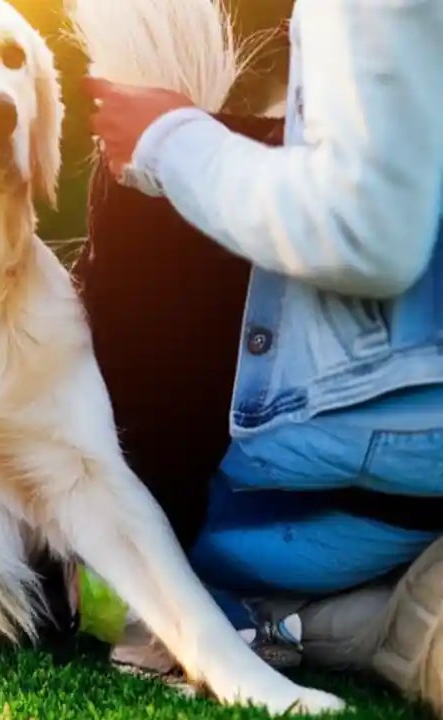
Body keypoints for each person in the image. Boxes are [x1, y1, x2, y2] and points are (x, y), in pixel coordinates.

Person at [84, 0, 443, 711]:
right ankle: (342, 624)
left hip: (318, 468)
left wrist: (168, 138)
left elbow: (370, 232)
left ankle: (267, 621)